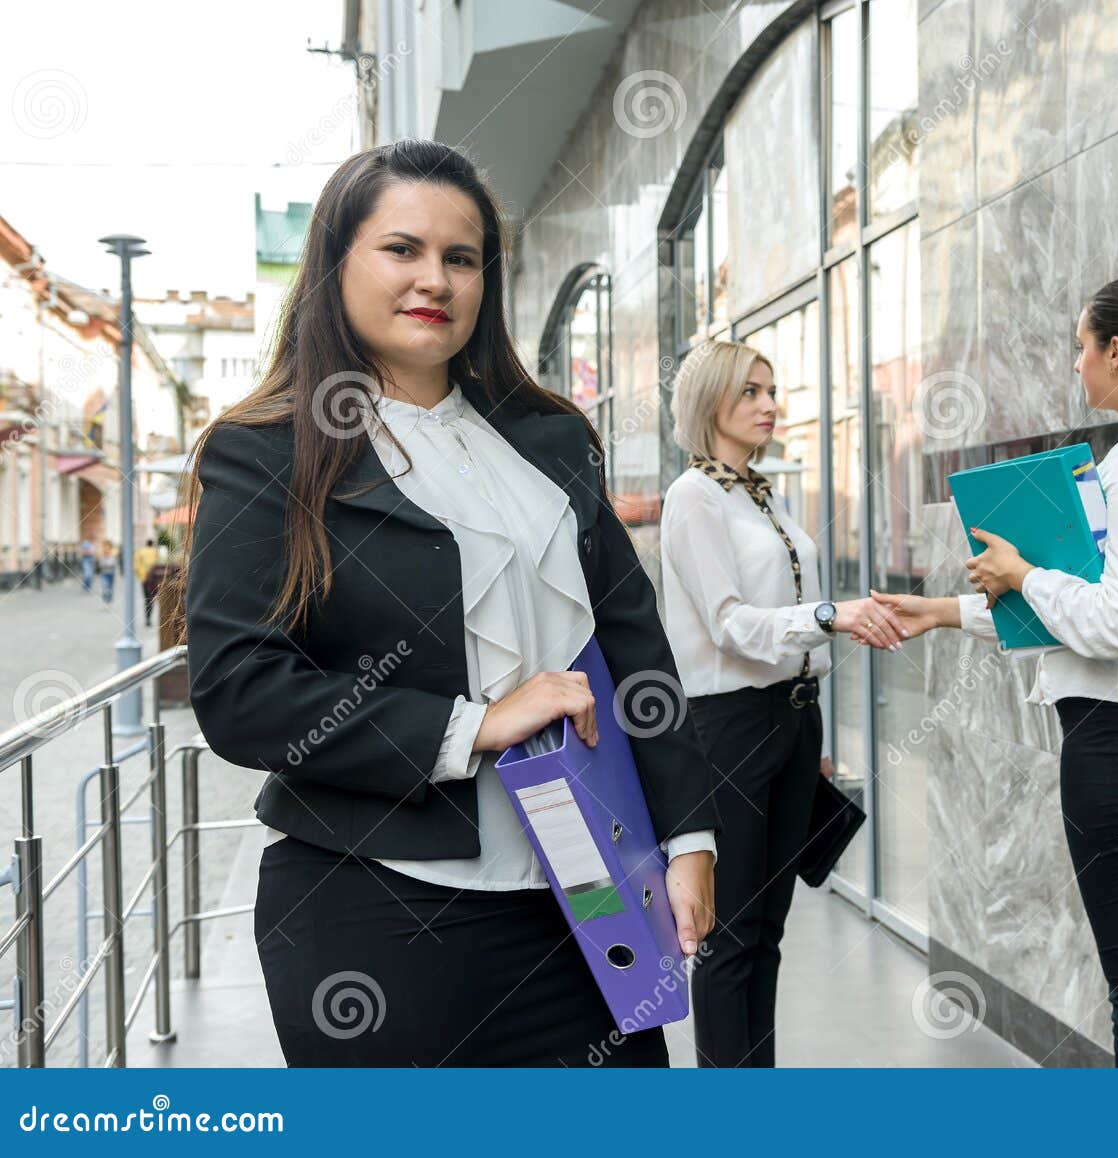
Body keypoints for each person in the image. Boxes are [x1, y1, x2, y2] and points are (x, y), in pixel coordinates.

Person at [175, 139, 717, 1067]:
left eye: (460, 258)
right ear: (337, 262)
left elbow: (636, 646)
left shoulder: (548, 436)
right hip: (378, 913)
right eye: (402, 249)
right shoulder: (263, 449)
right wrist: (473, 725)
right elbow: (237, 691)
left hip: (584, 902)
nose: (436, 279)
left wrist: (690, 832)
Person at [874, 274, 1118, 1067]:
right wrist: (943, 610)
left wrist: (1022, 574)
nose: (1076, 365)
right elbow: (1096, 603)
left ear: (1115, 351)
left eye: (1081, 347)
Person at [657, 339, 906, 1067]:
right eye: (751, 393)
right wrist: (831, 617)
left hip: (793, 715)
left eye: (772, 390)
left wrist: (810, 724)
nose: (771, 405)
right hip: (731, 724)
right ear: (711, 404)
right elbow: (729, 622)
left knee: (770, 926)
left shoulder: (757, 491)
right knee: (731, 932)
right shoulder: (693, 497)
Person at [134, 538, 160, 625]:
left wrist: (141, 576)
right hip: (153, 579)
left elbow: (136, 566)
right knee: (151, 598)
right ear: (152, 544)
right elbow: (157, 563)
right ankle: (149, 617)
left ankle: (147, 618)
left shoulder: (140, 551)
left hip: (144, 579)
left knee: (147, 599)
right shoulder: (155, 552)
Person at [96, 539, 117, 603]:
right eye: (105, 546)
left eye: (107, 546)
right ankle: (105, 599)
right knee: (105, 587)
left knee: (110, 588)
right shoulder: (101, 554)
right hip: (104, 573)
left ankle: (109, 601)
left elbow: (114, 564)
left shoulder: (113, 554)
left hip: (111, 573)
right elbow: (100, 564)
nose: (106, 548)